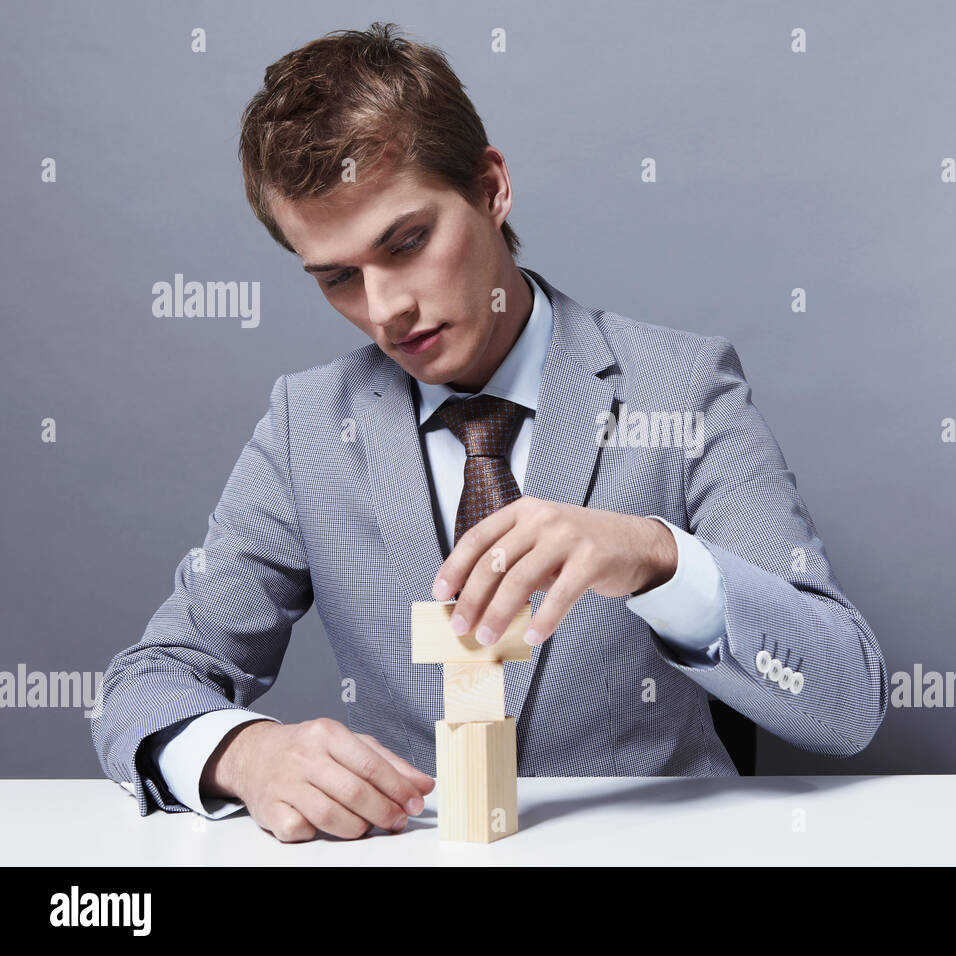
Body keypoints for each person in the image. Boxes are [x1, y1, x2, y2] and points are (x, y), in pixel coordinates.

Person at [92, 22, 888, 843]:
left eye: (407, 242)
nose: (386, 309)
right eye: (337, 277)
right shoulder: (307, 428)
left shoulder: (681, 389)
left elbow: (845, 700)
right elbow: (148, 682)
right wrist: (246, 756)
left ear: (491, 187)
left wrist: (659, 557)